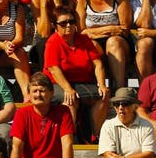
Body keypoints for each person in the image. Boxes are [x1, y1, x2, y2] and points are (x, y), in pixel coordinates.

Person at [43, 7, 110, 140]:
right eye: (63, 23)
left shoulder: (84, 39)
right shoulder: (53, 42)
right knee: (69, 100)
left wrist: (102, 84)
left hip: (83, 82)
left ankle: (95, 136)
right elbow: (54, 69)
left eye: (71, 21)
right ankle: (69, 138)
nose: (68, 25)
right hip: (58, 83)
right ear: (55, 26)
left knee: (104, 96)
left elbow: (98, 64)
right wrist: (68, 89)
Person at [74, 0, 133, 90]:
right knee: (91, 45)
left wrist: (94, 31)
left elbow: (124, 28)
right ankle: (94, 90)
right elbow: (81, 32)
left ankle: (119, 89)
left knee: (113, 42)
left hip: (119, 43)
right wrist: (110, 29)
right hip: (94, 43)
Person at [98, 87, 156, 158]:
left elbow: (149, 154)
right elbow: (108, 154)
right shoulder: (108, 125)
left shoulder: (146, 125)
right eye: (116, 104)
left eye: (125, 103)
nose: (120, 107)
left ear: (135, 106)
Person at [30, 0, 72, 71]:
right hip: (41, 45)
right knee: (45, 43)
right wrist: (43, 5)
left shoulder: (70, 2)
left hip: (64, 41)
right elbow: (44, 32)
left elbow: (65, 30)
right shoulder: (36, 2)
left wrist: (58, 5)